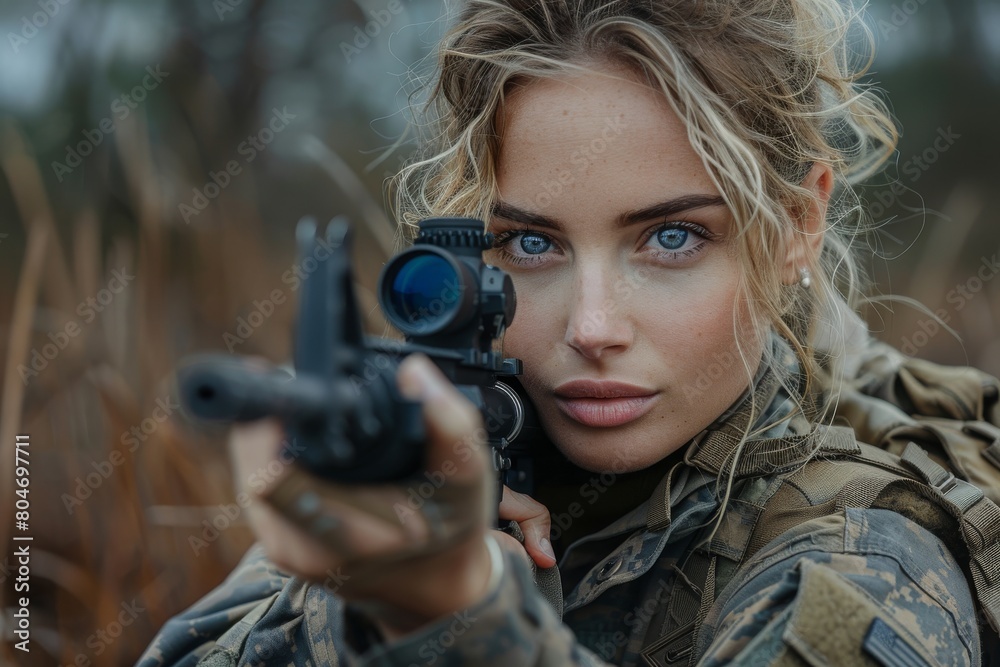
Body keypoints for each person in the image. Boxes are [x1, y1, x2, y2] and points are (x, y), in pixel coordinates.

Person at [139, 0, 999, 665]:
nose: (591, 327)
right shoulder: (432, 471)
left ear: (798, 225)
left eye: (671, 238)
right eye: (533, 243)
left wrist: (460, 613)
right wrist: (359, 594)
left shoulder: (869, 557)